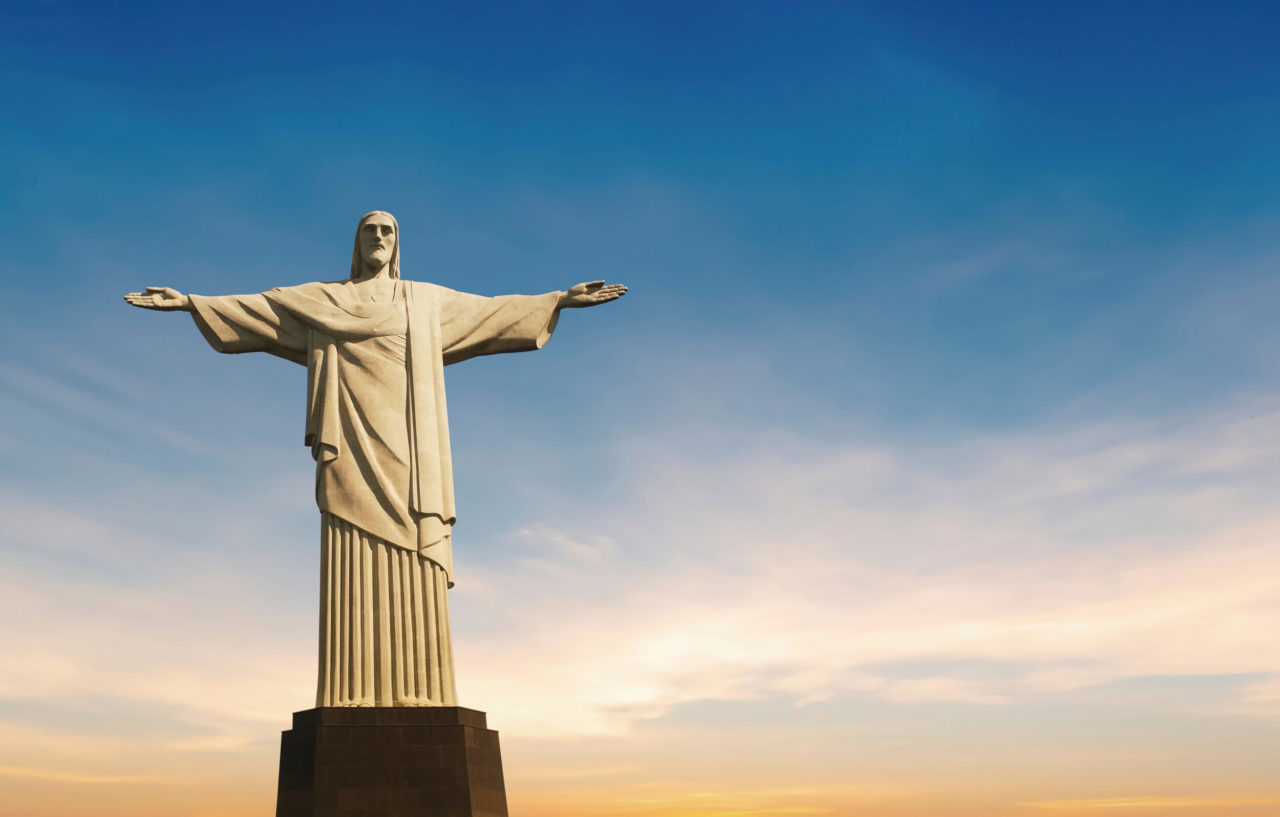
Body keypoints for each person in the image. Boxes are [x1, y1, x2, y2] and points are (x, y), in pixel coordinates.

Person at [124, 210, 626, 707]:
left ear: (397, 242)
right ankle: (349, 691)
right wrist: (191, 302)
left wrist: (558, 298)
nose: (379, 237)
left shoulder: (426, 301)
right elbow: (260, 309)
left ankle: (426, 692)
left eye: (388, 230)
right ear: (357, 241)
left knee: (414, 541)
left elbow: (492, 311)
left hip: (411, 443)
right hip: (349, 439)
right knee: (352, 547)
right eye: (370, 230)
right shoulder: (326, 300)